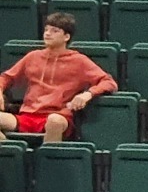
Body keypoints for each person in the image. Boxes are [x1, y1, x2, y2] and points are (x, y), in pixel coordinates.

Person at [0, 12, 116, 142]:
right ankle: (11, 153)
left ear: (66, 36)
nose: (48, 34)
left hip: (58, 115)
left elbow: (108, 82)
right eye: (46, 30)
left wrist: (87, 94)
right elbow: (6, 77)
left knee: (54, 121)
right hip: (27, 116)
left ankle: (48, 159)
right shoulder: (33, 56)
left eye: (54, 31)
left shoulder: (79, 61)